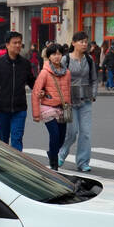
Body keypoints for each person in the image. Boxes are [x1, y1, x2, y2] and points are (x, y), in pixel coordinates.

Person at [0, 31, 36, 151]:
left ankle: (17, 166)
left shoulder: (25, 64)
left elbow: (32, 82)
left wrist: (40, 91)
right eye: (14, 43)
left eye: (19, 43)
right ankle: (3, 165)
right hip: (2, 108)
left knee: (17, 139)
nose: (17, 45)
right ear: (7, 44)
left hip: (19, 109)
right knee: (3, 140)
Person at [58, 32, 98, 172]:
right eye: (81, 41)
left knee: (85, 133)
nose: (84, 44)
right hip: (69, 102)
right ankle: (62, 153)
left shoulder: (89, 59)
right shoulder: (65, 60)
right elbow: (58, 79)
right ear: (73, 43)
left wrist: (93, 94)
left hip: (86, 100)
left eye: (86, 42)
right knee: (72, 132)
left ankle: (83, 162)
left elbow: (94, 79)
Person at [31, 42, 72, 170]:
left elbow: (68, 91)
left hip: (62, 109)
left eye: (59, 54)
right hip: (48, 108)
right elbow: (36, 92)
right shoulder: (44, 73)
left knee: (61, 138)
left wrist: (68, 107)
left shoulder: (67, 73)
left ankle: (52, 153)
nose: (57, 56)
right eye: (54, 54)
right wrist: (36, 114)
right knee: (54, 135)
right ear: (49, 56)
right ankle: (54, 164)